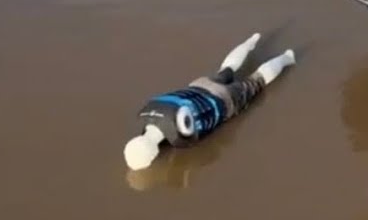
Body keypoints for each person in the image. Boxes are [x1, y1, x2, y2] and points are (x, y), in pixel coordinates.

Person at [123, 32, 297, 171]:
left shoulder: (180, 140)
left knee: (256, 81)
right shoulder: (147, 111)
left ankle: (287, 57)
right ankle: (251, 40)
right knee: (227, 68)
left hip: (224, 100)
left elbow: (204, 146)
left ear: (153, 155)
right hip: (200, 86)